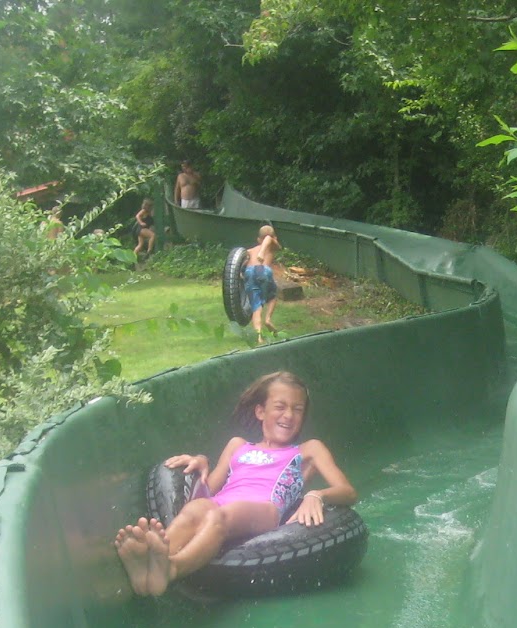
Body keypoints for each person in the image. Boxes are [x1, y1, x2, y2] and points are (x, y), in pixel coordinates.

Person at [114, 371, 357, 597]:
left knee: (220, 515)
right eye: (280, 407)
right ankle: (147, 572)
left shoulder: (307, 450)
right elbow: (211, 488)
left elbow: (347, 491)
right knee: (194, 510)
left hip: (265, 509)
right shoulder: (237, 445)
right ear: (260, 411)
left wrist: (315, 495)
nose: (288, 415)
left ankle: (172, 568)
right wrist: (200, 461)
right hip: (220, 503)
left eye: (297, 409)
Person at [242, 224, 281, 345]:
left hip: (250, 272)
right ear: (275, 237)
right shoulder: (272, 245)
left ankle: (258, 337)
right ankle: (268, 319)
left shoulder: (249, 251)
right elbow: (268, 238)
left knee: (256, 306)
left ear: (258, 239)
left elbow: (240, 266)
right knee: (273, 296)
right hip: (263, 270)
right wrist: (262, 253)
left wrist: (242, 275)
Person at [133, 198, 156, 264]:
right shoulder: (144, 211)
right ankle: (149, 251)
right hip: (141, 229)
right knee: (152, 235)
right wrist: (141, 222)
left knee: (140, 245)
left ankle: (132, 258)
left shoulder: (149, 212)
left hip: (141, 230)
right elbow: (137, 216)